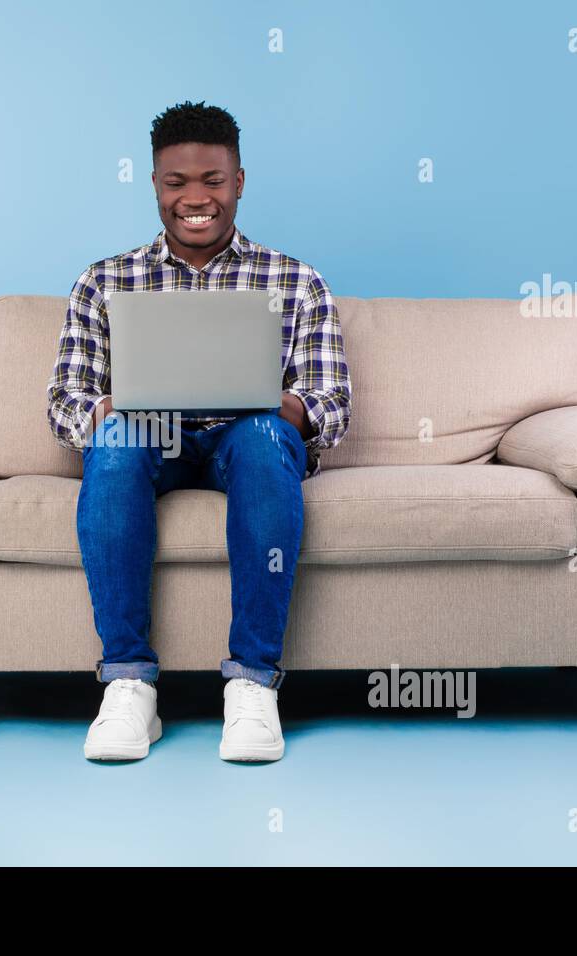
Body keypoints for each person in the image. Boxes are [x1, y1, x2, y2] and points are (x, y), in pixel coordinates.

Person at [46, 101, 351, 762]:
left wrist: (284, 406)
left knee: (268, 437)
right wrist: (102, 414)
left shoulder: (297, 282)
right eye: (176, 182)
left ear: (239, 181)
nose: (196, 198)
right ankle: (128, 686)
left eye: (212, 180)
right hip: (147, 436)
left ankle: (252, 688)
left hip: (245, 440)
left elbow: (332, 400)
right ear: (154, 185)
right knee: (117, 444)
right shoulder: (104, 282)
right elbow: (65, 400)